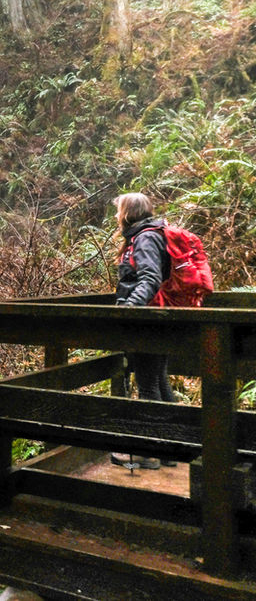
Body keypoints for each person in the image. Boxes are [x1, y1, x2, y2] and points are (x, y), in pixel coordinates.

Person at [111, 192, 177, 469]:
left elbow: (150, 278)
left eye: (119, 210)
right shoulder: (150, 234)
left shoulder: (146, 237)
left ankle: (149, 453)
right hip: (156, 318)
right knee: (159, 381)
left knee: (148, 384)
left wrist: (130, 308)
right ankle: (170, 451)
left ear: (128, 213)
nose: (116, 216)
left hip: (148, 321)